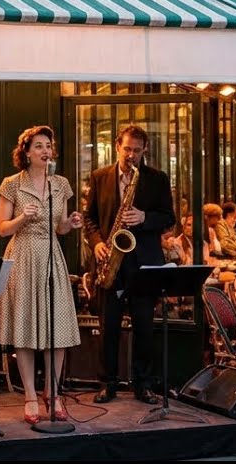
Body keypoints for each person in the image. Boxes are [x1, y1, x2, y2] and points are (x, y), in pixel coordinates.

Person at [0, 126, 82, 424]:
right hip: (21, 256)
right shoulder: (11, 184)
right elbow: (2, 229)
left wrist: (71, 222)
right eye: (39, 146)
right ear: (26, 152)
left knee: (59, 328)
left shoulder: (61, 184)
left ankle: (52, 393)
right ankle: (29, 395)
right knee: (24, 327)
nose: (45, 151)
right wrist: (21, 217)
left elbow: (60, 228)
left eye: (48, 146)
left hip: (51, 255)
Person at [83, 124, 173, 405]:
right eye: (127, 149)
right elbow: (90, 218)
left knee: (145, 327)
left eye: (136, 150)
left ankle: (142, 384)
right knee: (108, 327)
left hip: (144, 263)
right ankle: (107, 383)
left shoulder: (157, 179)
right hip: (110, 260)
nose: (131, 155)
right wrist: (97, 242)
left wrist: (144, 218)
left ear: (144, 149)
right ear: (117, 146)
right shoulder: (99, 177)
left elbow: (169, 218)